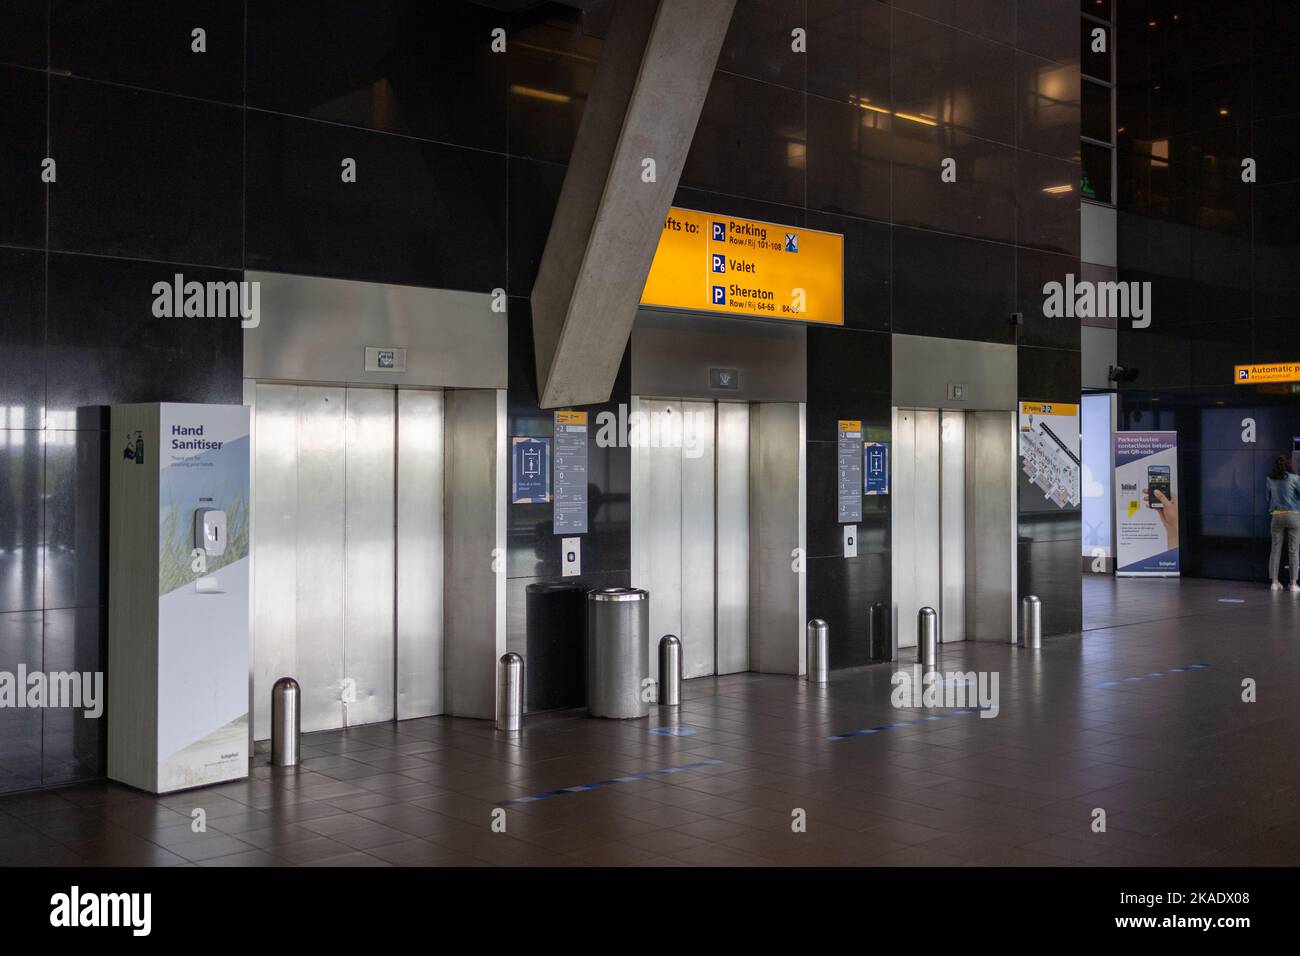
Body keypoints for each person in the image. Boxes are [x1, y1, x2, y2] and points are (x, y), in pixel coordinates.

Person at [1265, 455, 1300, 592]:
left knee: (1275, 549)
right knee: (1293, 550)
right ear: (1289, 465)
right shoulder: (1295, 478)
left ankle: (1274, 583)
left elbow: (1268, 498)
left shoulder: (1269, 479)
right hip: (1294, 516)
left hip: (1277, 517)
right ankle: (1293, 584)